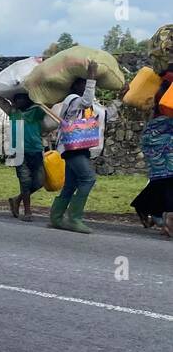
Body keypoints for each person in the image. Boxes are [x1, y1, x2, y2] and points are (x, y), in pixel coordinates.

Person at [48, 60, 102, 234]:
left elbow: (106, 114)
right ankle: (74, 218)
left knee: (71, 185)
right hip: (73, 149)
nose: (87, 86)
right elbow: (86, 101)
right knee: (88, 179)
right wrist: (92, 76)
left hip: (78, 149)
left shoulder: (85, 105)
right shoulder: (72, 100)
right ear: (77, 85)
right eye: (84, 83)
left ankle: (56, 217)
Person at [131, 67, 173, 237]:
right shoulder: (169, 80)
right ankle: (167, 219)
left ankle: (151, 211)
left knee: (163, 179)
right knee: (169, 178)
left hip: (158, 133)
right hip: (163, 135)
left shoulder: (162, 79)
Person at [5, 93, 48, 221]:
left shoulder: (36, 111)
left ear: (28, 100)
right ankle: (28, 212)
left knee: (40, 181)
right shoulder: (12, 111)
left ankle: (17, 199)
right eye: (16, 99)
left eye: (22, 99)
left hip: (35, 149)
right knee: (25, 181)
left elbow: (47, 105)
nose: (19, 101)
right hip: (18, 151)